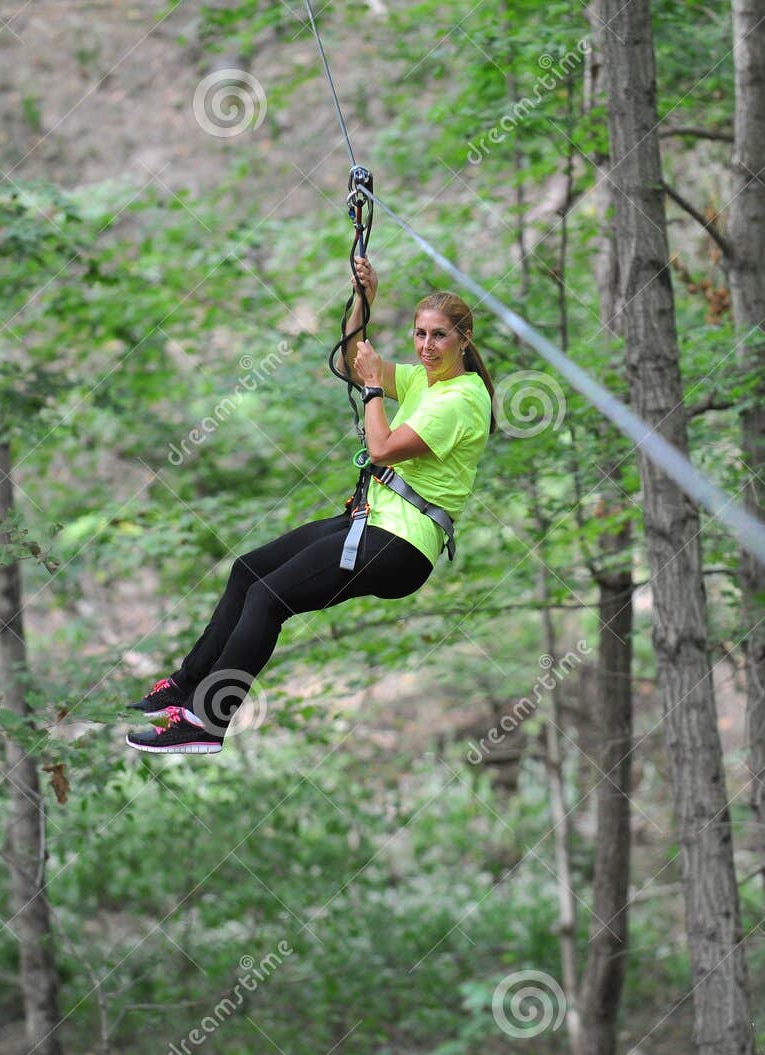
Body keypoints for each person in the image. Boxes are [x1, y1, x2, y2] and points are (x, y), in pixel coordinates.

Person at [125, 255, 497, 754]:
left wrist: (371, 388)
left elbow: (382, 446)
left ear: (463, 341)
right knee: (248, 571)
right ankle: (186, 685)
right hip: (373, 523)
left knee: (268, 598)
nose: (426, 346)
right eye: (419, 334)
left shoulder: (461, 400)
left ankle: (206, 722)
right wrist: (364, 302)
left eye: (439, 336)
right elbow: (350, 361)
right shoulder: (424, 381)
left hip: (401, 544)